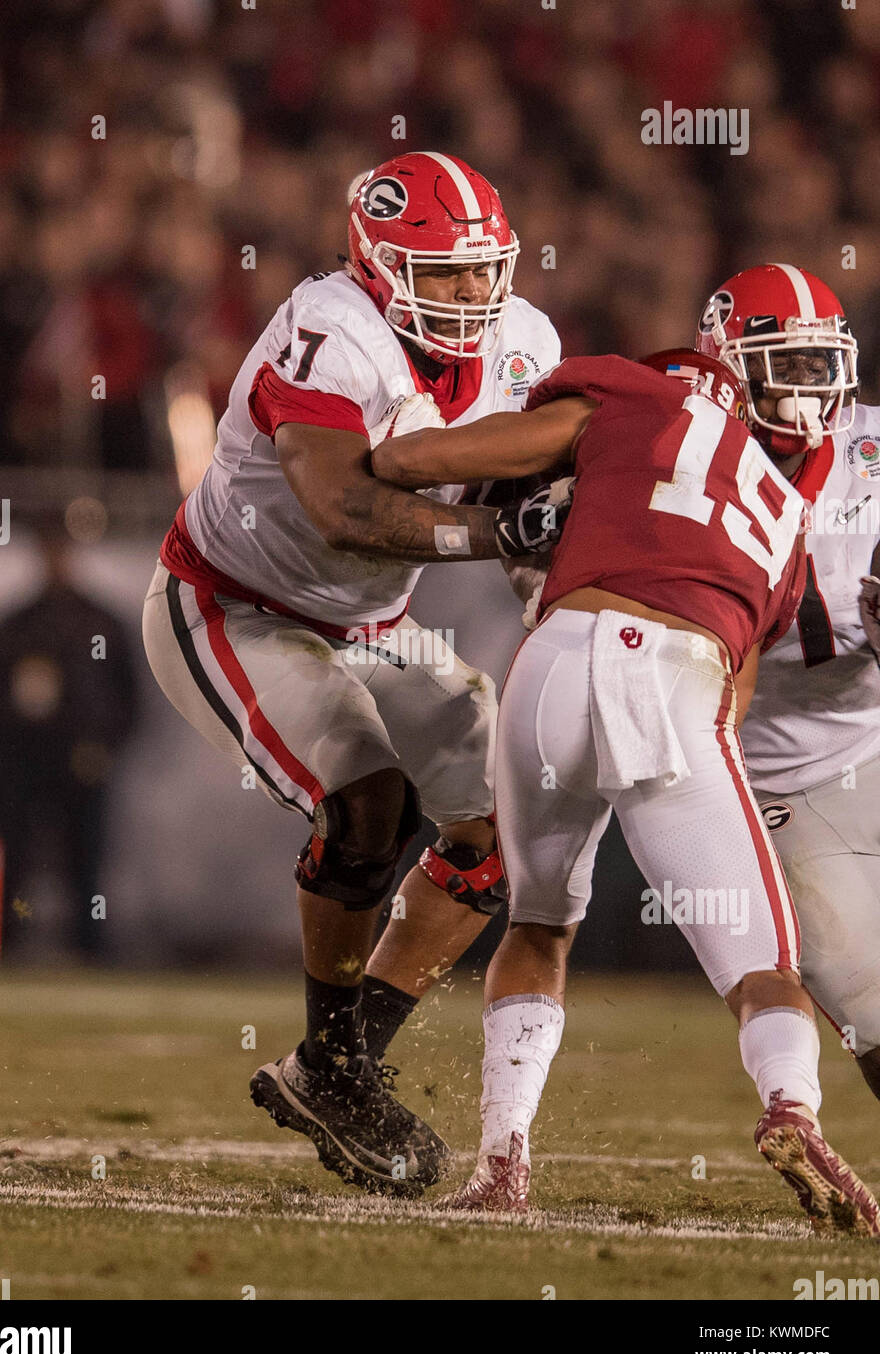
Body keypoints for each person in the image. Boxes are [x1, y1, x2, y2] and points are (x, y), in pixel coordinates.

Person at [371, 349, 880, 1235]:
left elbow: (420, 462)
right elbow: (740, 694)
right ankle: (791, 1108)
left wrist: (400, 466)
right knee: (762, 965)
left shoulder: (629, 398)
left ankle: (502, 1160)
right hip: (680, 675)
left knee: (538, 924)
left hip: (555, 660)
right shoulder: (782, 511)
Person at [142, 152, 564, 1195]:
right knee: (365, 798)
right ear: (378, 264)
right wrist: (500, 530)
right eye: (444, 272)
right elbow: (345, 508)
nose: (471, 296)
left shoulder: (529, 344)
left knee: (498, 829)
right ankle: (333, 1061)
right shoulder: (332, 331)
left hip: (375, 620)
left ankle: (335, 1066)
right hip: (234, 606)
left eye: (482, 272)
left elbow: (544, 505)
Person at [697, 265, 880, 1102]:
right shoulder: (683, 461)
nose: (809, 391)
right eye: (786, 367)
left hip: (872, 740)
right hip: (780, 783)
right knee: (873, 1008)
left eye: (819, 366)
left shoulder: (872, 450)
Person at [0, 523, 140, 962]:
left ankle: (90, 950)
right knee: (14, 859)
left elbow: (128, 698)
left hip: (81, 763)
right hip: (22, 762)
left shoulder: (100, 623)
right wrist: (6, 746)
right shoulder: (14, 625)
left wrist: (103, 748)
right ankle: (5, 945)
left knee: (84, 863)